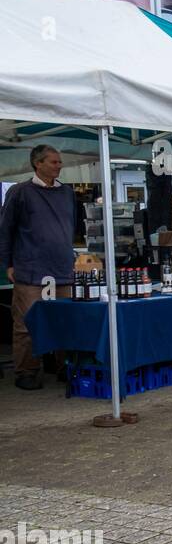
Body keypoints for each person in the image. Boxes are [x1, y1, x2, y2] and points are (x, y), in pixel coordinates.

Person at [0, 146, 75, 390]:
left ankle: (64, 366)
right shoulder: (20, 192)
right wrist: (8, 264)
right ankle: (26, 371)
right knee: (27, 323)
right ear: (38, 163)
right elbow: (5, 230)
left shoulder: (66, 192)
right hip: (30, 268)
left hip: (62, 268)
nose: (59, 165)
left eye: (59, 161)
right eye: (53, 162)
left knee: (65, 320)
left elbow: (70, 226)